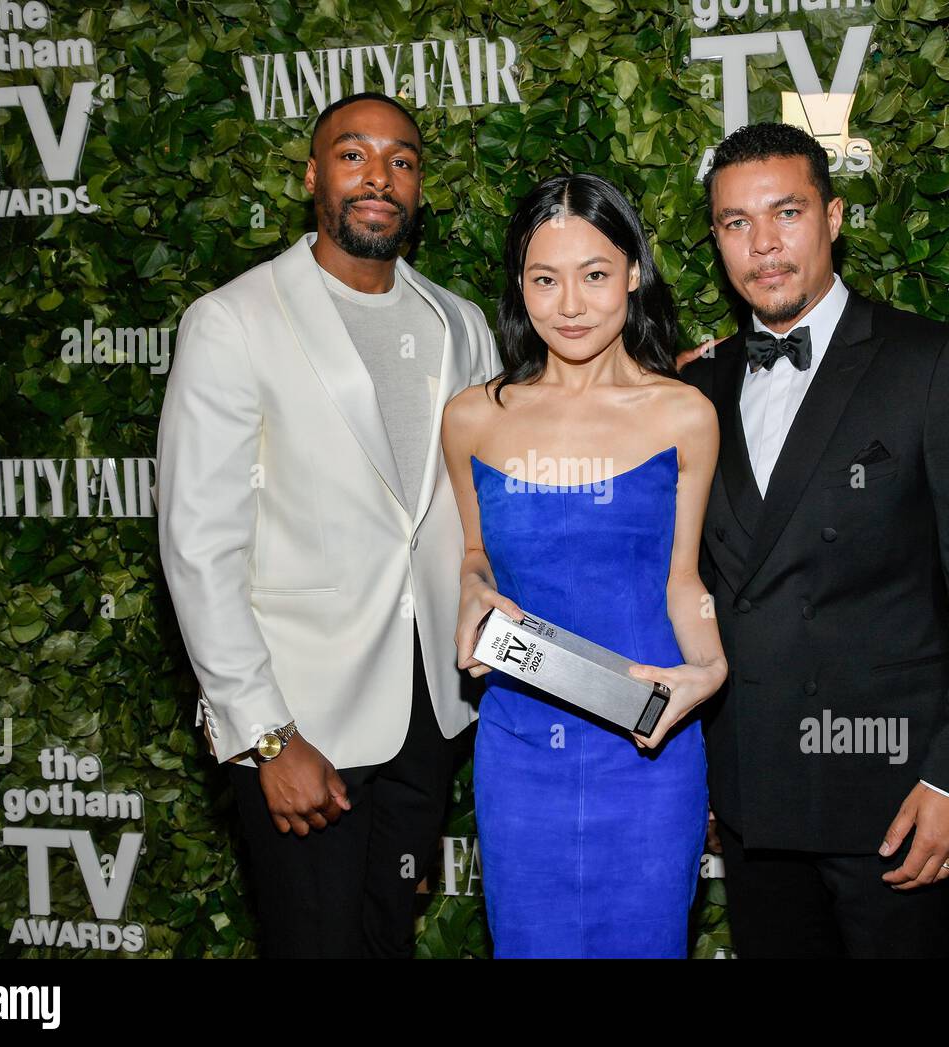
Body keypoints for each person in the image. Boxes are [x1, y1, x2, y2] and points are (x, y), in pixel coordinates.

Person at [678, 122, 949, 958]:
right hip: (752, 795)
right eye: (737, 223)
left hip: (895, 799)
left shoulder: (933, 362)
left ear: (834, 217)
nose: (764, 245)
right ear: (716, 239)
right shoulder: (696, 385)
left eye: (788, 213)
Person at [155, 92, 501, 958]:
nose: (378, 176)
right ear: (313, 176)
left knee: (387, 937)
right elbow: (199, 547)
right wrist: (263, 734)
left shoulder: (458, 323)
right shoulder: (233, 321)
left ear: (420, 188)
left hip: (428, 716)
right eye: (353, 155)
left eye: (402, 160)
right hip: (302, 720)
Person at [440, 172, 727, 958]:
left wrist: (707, 667)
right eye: (544, 278)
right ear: (520, 286)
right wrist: (470, 587)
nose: (569, 304)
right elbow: (474, 555)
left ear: (634, 273)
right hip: (519, 745)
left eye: (595, 275)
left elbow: (683, 580)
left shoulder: (683, 414)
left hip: (648, 747)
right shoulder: (472, 418)